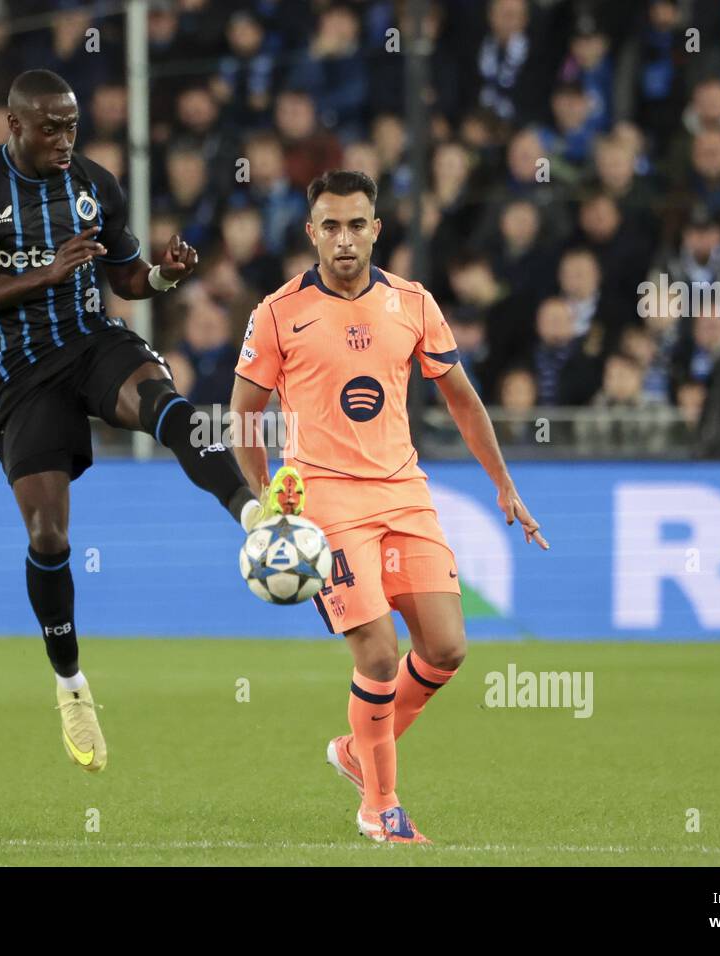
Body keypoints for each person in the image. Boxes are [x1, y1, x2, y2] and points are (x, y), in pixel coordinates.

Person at [0, 70, 286, 776]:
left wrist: (162, 277)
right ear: (15, 125)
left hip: (92, 342)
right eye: (50, 128)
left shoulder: (94, 184)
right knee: (48, 533)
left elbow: (124, 277)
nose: (65, 140)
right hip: (20, 376)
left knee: (169, 406)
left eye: (71, 125)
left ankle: (256, 517)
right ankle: (71, 683)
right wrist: (45, 273)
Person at [230, 170, 548, 844]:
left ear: (377, 229)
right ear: (311, 231)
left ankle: (355, 749)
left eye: (356, 224)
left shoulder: (414, 303)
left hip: (404, 493)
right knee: (377, 653)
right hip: (326, 500)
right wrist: (266, 502)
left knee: (447, 647)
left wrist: (504, 483)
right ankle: (380, 805)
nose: (344, 239)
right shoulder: (279, 311)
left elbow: (462, 397)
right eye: (330, 226)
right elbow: (243, 413)